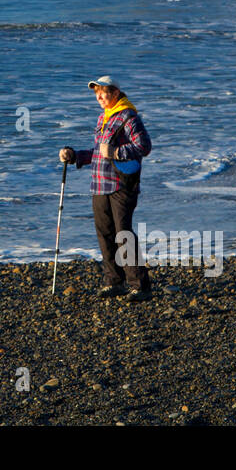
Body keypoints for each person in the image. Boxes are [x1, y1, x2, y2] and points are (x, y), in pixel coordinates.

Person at [59, 76, 153, 301]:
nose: (99, 97)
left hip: (122, 185)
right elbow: (97, 152)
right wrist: (74, 156)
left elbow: (144, 146)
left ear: (116, 92)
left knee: (123, 233)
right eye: (97, 93)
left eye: (104, 92)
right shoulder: (104, 118)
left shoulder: (128, 116)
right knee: (105, 234)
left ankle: (140, 285)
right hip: (99, 184)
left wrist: (117, 153)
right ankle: (114, 282)